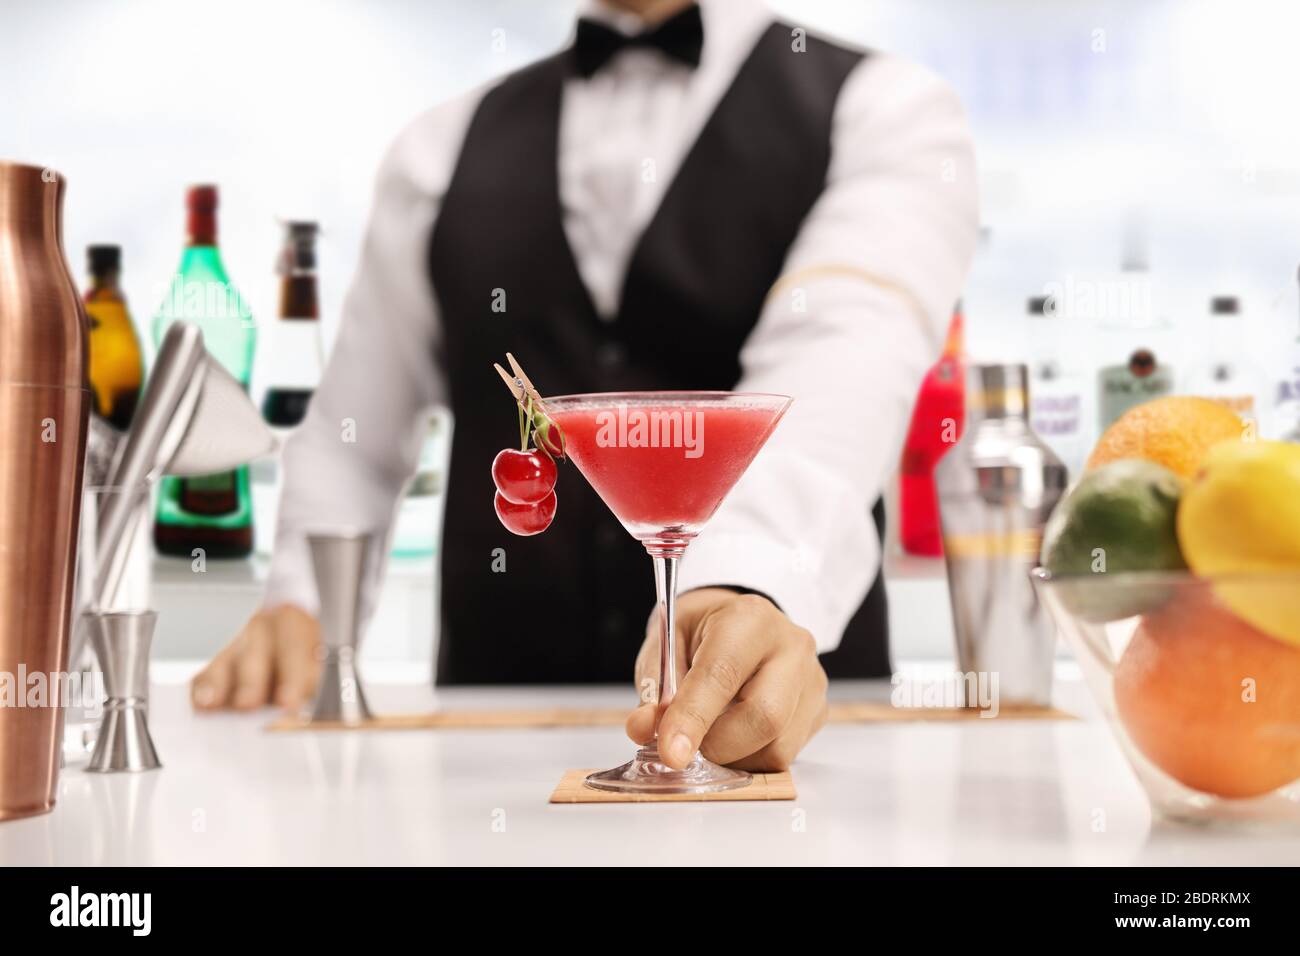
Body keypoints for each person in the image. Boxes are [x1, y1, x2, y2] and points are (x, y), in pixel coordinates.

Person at [191, 0, 978, 773]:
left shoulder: (884, 111)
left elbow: (835, 372)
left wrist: (744, 584)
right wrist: (304, 606)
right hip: (487, 754)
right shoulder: (437, 149)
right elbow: (352, 439)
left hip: (780, 757)